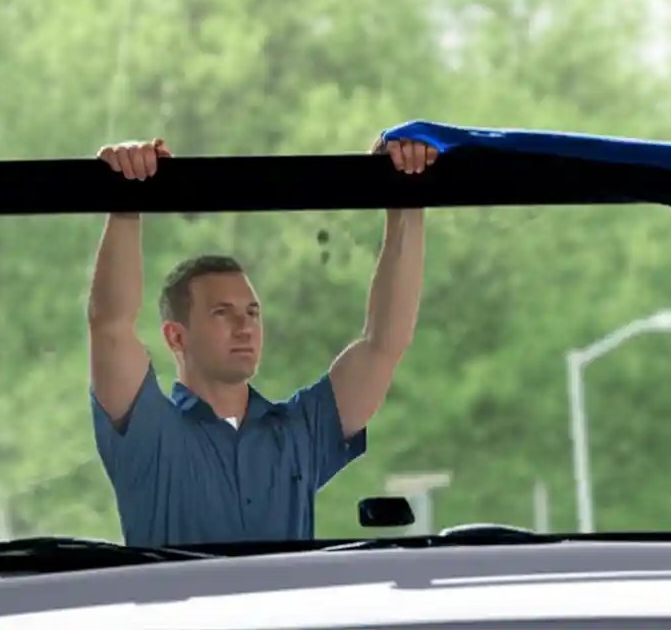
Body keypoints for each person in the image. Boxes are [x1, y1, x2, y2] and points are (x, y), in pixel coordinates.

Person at [87, 134, 436, 547]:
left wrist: (408, 194)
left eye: (252, 312)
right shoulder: (149, 435)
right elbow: (109, 325)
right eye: (223, 313)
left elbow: (384, 342)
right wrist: (125, 197)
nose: (245, 326)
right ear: (176, 336)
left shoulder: (298, 433)